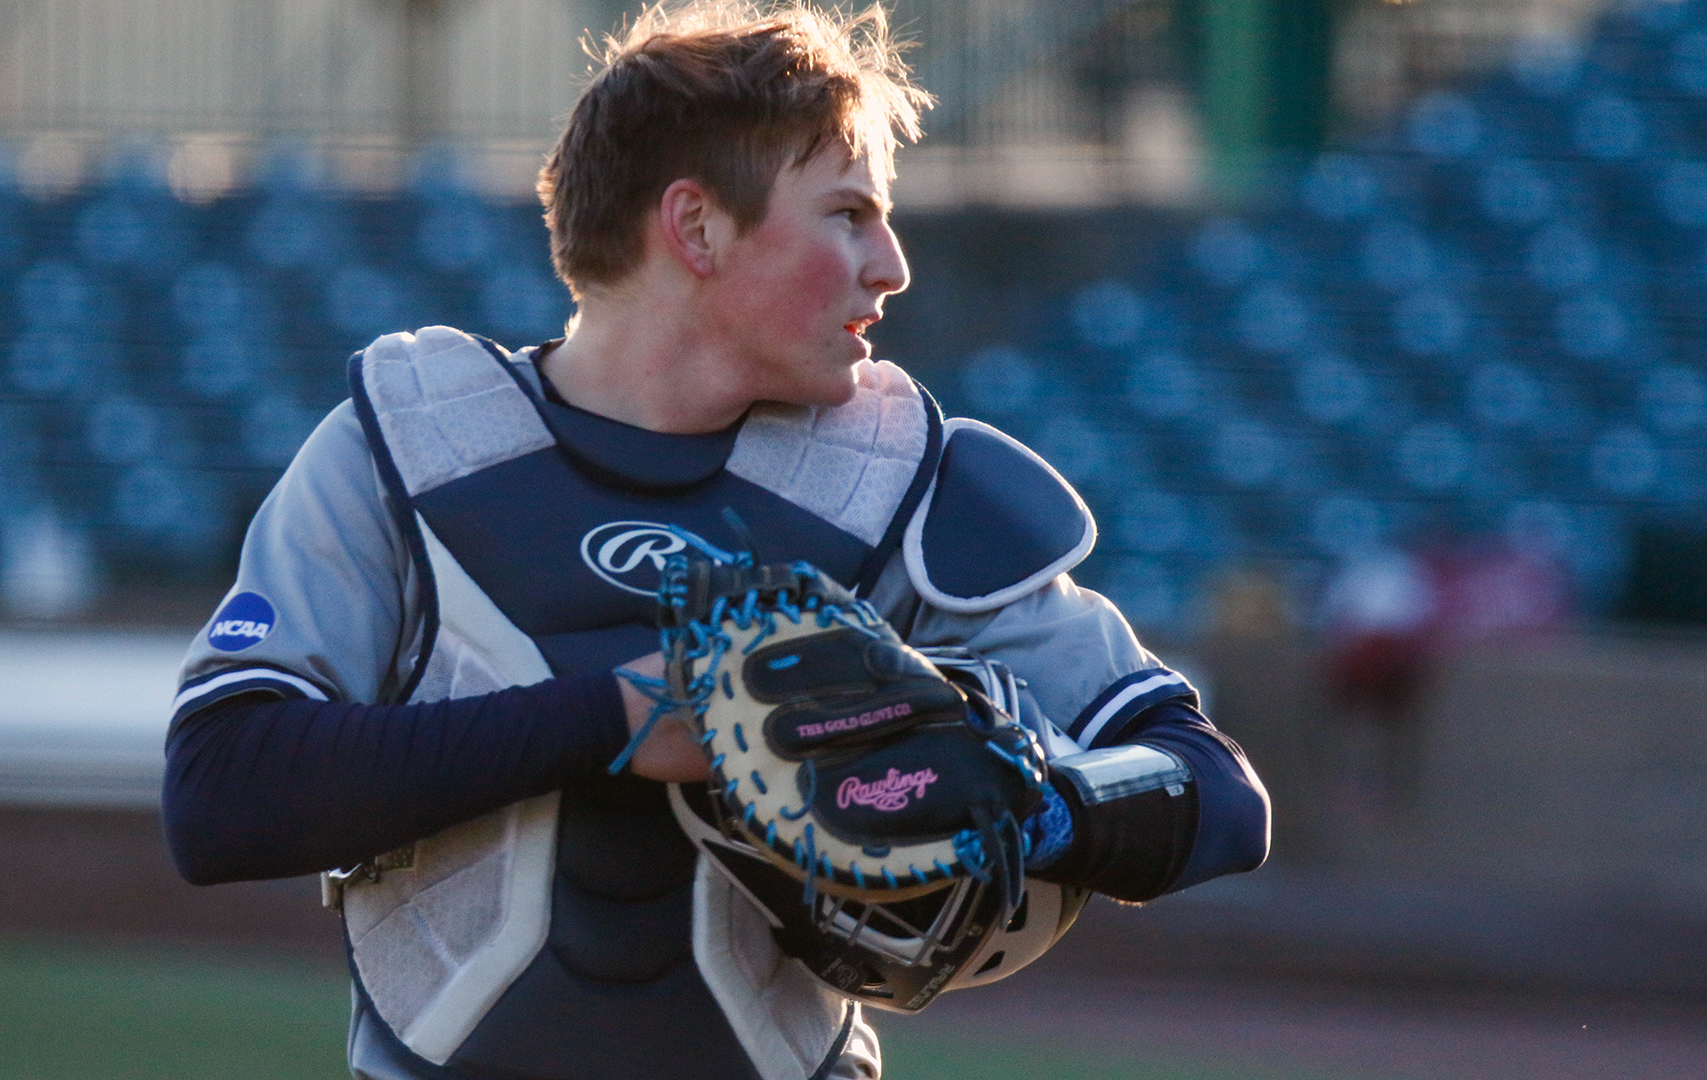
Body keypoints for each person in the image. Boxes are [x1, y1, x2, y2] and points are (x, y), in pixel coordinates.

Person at [161, 4, 1270, 1079]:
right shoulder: (410, 445)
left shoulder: (901, 482)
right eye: (848, 214)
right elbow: (218, 797)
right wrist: (623, 717)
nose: (891, 264)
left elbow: (1217, 792)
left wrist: (1034, 805)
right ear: (695, 226)